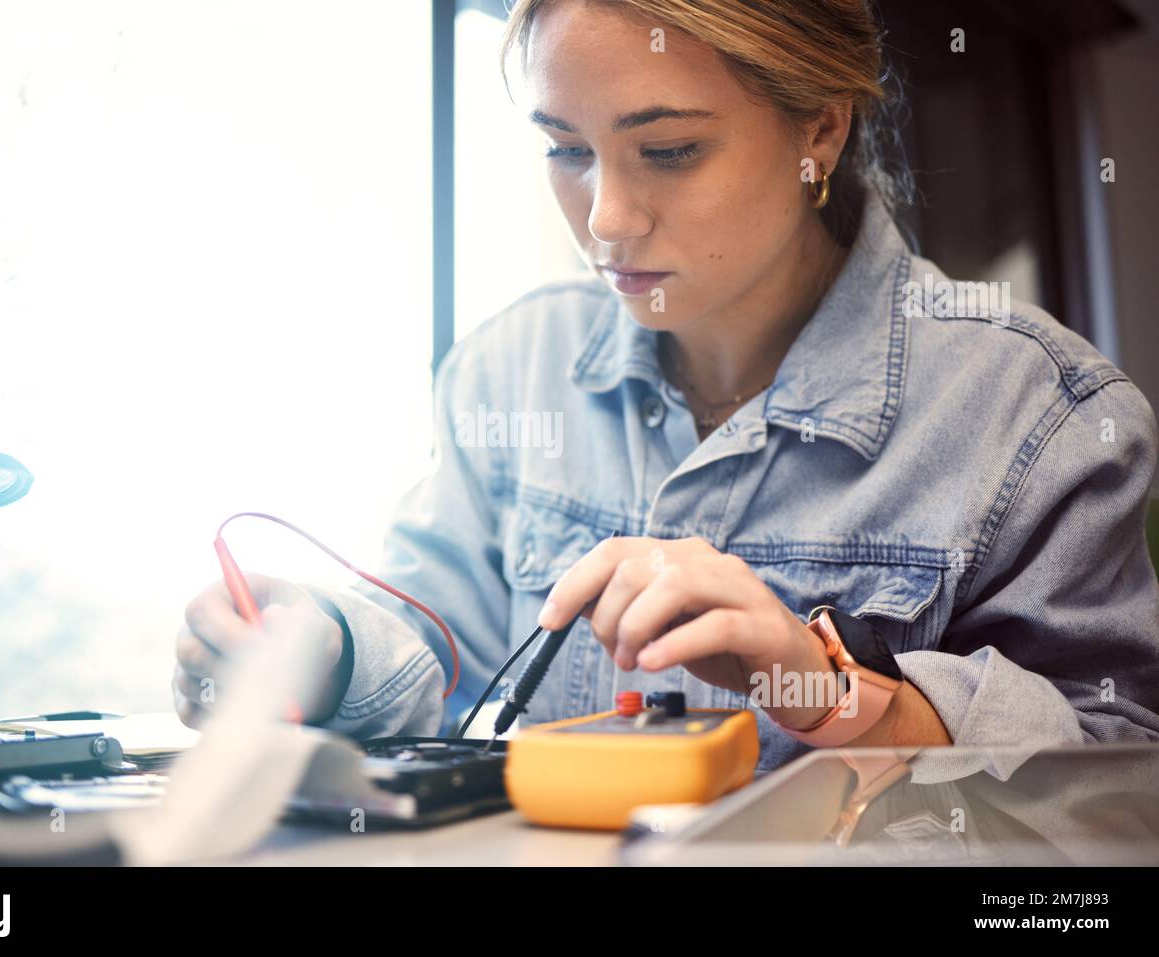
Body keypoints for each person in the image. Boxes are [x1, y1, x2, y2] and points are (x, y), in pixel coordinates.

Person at [174, 0, 1159, 772]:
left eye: (668, 150)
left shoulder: (1040, 415)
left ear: (818, 131)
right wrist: (323, 648)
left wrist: (820, 689)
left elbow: (1108, 790)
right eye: (565, 148)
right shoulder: (508, 371)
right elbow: (437, 646)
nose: (603, 218)